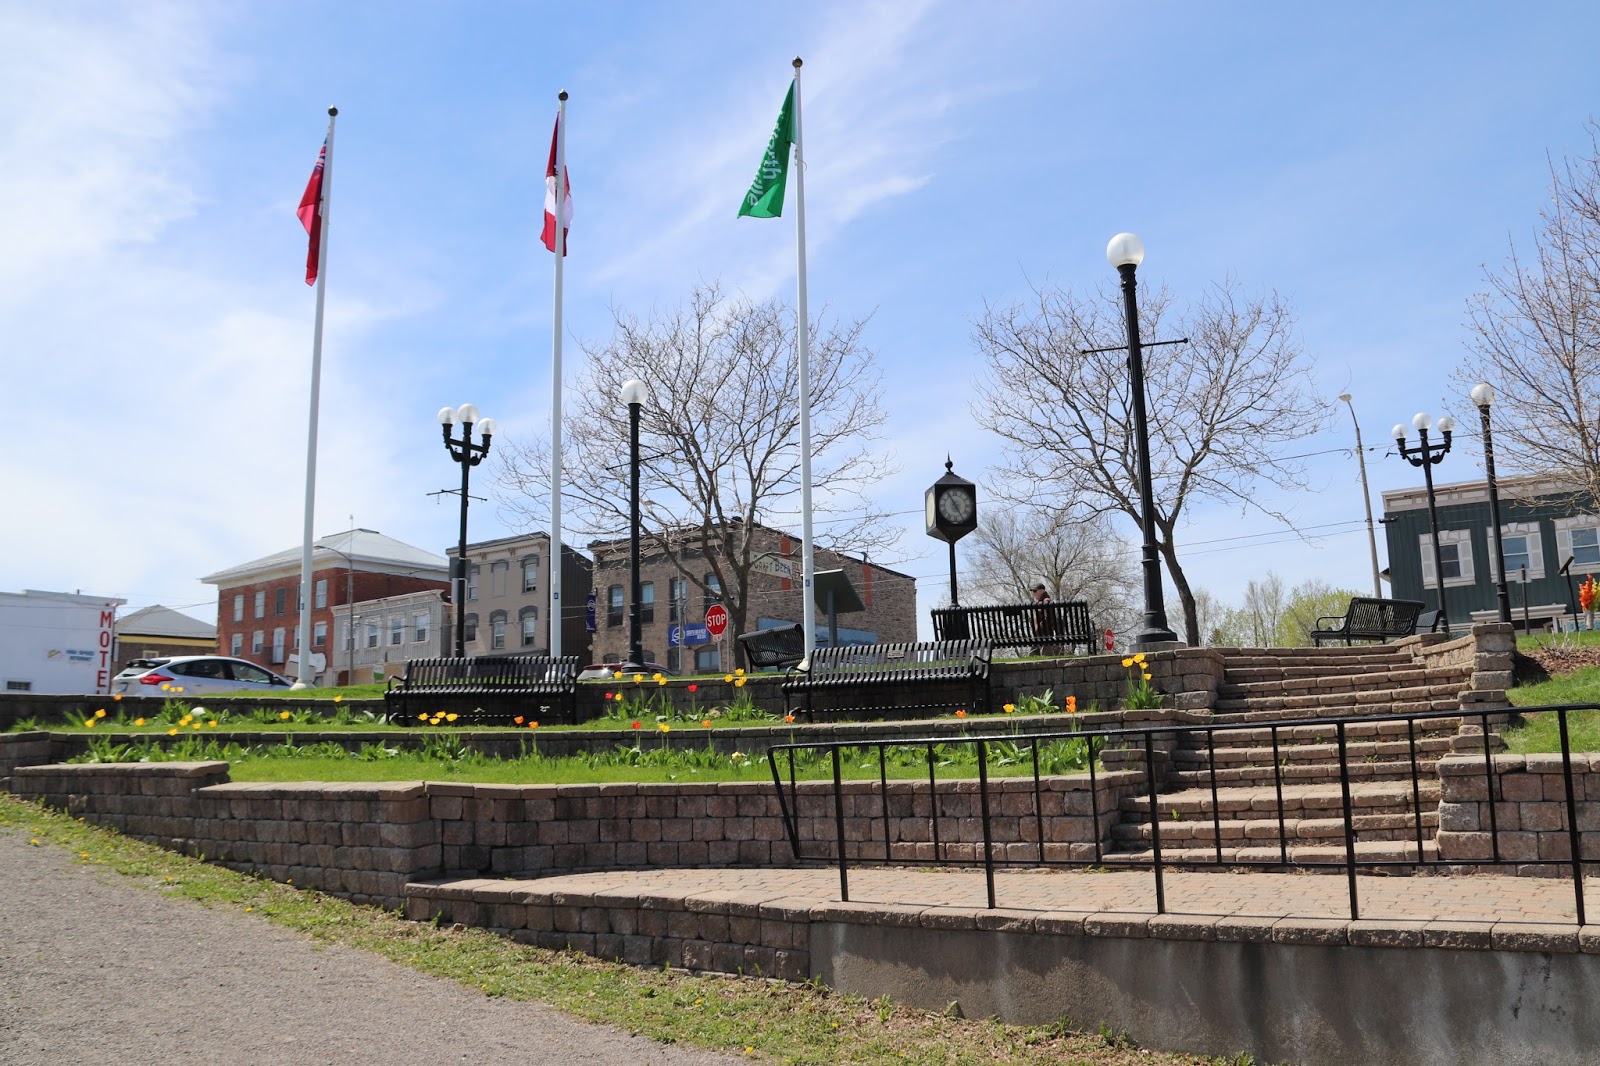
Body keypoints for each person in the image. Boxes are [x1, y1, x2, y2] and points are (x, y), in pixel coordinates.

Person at [1030, 583, 1058, 655]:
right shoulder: (1040, 602)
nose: (1033, 593)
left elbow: (1048, 618)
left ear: (1041, 591)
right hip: (1040, 633)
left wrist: (1040, 626)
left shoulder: (1046, 601)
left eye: (1035, 591)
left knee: (1045, 653)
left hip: (1044, 633)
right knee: (1033, 654)